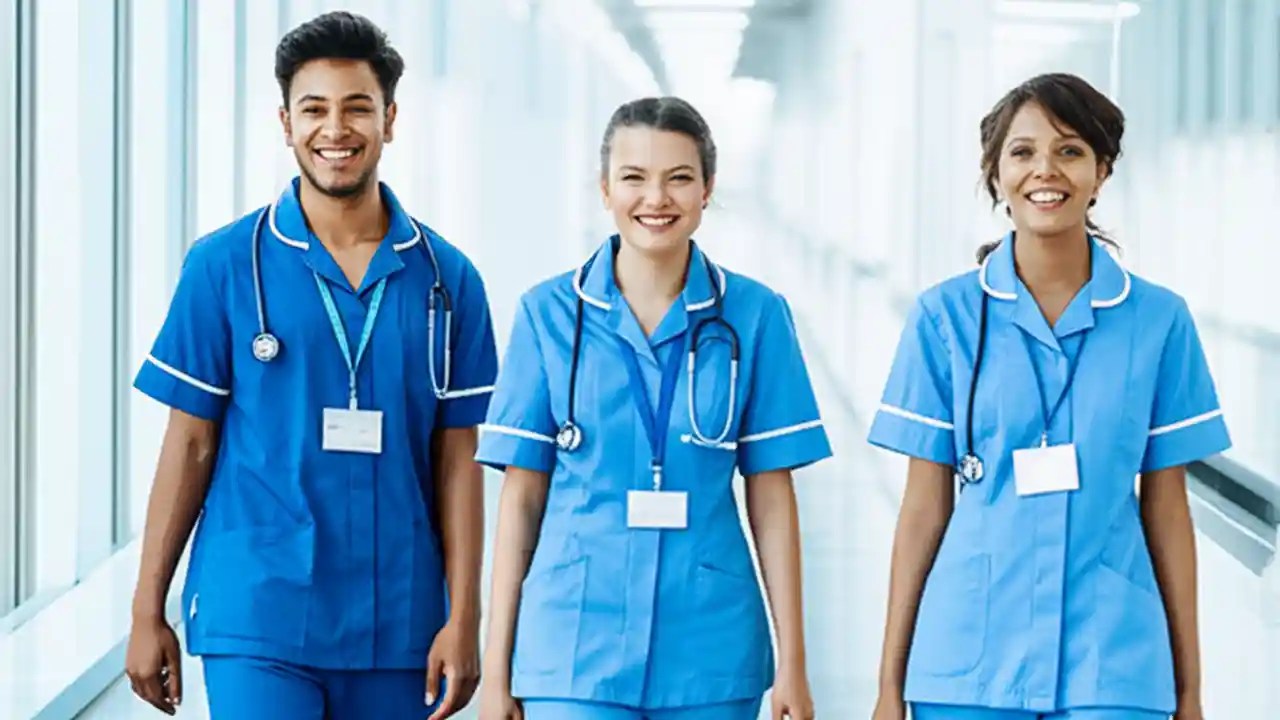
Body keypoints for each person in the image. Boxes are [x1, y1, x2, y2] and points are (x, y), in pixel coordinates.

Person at [124, 11, 496, 719]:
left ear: (390, 118)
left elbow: (458, 460)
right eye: (314, 109)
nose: (336, 129)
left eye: (358, 108)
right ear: (285, 122)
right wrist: (147, 608)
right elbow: (191, 441)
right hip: (257, 609)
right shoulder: (226, 266)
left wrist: (464, 617)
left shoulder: (448, 279)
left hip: (400, 617)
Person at [867, 72, 1230, 720]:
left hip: (1113, 660)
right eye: (1023, 151)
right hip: (967, 661)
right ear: (997, 172)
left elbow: (1167, 508)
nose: (1046, 171)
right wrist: (888, 688)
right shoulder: (944, 317)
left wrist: (1190, 692)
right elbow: (923, 507)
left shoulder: (1157, 321)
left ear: (1102, 169)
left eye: (1070, 151)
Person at [473, 96, 831, 720]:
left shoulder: (755, 315)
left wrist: (794, 666)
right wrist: (498, 672)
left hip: (710, 650)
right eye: (635, 178)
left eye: (679, 178)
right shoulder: (548, 315)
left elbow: (772, 494)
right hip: (573, 648)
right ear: (605, 187)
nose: (656, 198)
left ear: (707, 189)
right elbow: (521, 500)